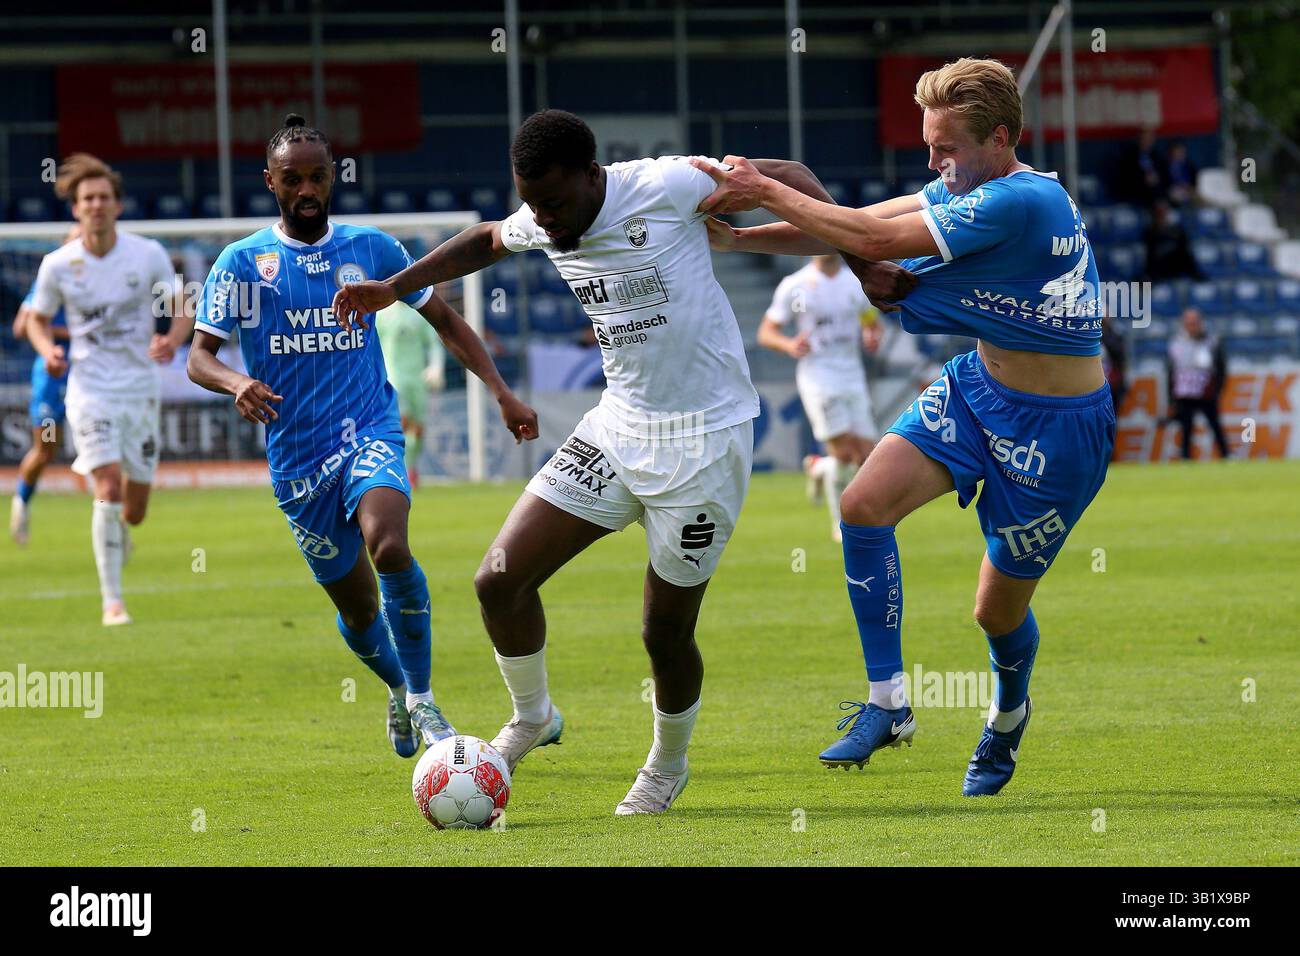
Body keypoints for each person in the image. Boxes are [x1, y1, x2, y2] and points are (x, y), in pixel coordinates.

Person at [334, 109, 915, 815]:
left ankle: (667, 765)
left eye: (552, 201)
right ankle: (533, 716)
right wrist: (394, 288)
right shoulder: (545, 216)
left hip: (705, 442)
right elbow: (486, 238)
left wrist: (859, 261)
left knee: (663, 632)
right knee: (498, 581)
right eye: (533, 203)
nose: (543, 220)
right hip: (617, 428)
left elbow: (783, 177)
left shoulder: (667, 184)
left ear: (591, 174)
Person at [696, 57, 1116, 796]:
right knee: (860, 506)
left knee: (994, 611)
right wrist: (739, 240)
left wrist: (765, 188)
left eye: (945, 147)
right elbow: (859, 229)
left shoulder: (1019, 202)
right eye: (929, 145)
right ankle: (889, 702)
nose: (932, 161)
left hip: (1059, 438)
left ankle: (1009, 713)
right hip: (978, 390)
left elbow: (872, 242)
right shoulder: (967, 186)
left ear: (1000, 138)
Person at [188, 115, 538, 758]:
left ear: (333, 175)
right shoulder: (242, 263)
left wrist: (501, 391)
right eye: (292, 179)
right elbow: (198, 358)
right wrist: (236, 382)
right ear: (270, 182)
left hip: (368, 431)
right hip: (296, 458)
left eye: (317, 176)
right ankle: (400, 690)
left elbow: (445, 319)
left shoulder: (374, 248)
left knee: (389, 546)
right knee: (355, 611)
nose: (307, 190)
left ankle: (425, 704)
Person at [25, 155, 193, 626]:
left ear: (117, 205)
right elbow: (37, 320)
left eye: (103, 198)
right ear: (75, 209)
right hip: (89, 389)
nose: (95, 205)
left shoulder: (148, 254)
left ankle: (120, 533)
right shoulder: (58, 265)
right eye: (87, 199)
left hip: (139, 389)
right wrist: (48, 351)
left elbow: (184, 304)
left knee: (134, 511)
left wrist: (173, 338)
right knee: (108, 484)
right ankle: (112, 602)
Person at [758, 253, 882, 541]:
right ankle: (841, 524)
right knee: (844, 451)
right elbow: (767, 332)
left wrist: (871, 335)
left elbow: (870, 321)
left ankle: (819, 467)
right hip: (818, 376)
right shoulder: (796, 284)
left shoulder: (855, 282)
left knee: (864, 457)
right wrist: (789, 344)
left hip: (852, 375)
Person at [9, 225, 80, 546]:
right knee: (46, 449)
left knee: (102, 449)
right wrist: (70, 334)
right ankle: (21, 504)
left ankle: (112, 523)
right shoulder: (49, 278)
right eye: (74, 241)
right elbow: (21, 327)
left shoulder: (102, 282)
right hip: (52, 374)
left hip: (89, 373)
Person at [374, 299, 446, 487]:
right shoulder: (381, 315)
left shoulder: (418, 314)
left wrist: (436, 367)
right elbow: (372, 347)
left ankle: (410, 468)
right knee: (402, 424)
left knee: (418, 428)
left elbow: (433, 343)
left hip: (417, 378)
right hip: (393, 376)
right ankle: (400, 471)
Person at [1167, 307, 1229, 459]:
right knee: (1186, 428)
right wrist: (1171, 398)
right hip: (1184, 394)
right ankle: (1185, 458)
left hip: (1206, 392)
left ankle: (1226, 455)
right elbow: (1170, 372)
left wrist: (1217, 389)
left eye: (1194, 322)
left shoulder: (1212, 341)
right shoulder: (1176, 344)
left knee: (1215, 425)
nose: (1191, 326)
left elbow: (1221, 368)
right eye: (1188, 323)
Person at [1143, 201, 1202, 282]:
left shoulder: (1177, 232)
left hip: (1176, 265)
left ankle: (1197, 279)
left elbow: (1186, 252)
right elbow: (1150, 255)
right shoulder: (1150, 232)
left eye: (1164, 213)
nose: (1162, 216)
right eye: (1159, 214)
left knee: (1184, 254)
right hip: (1158, 267)